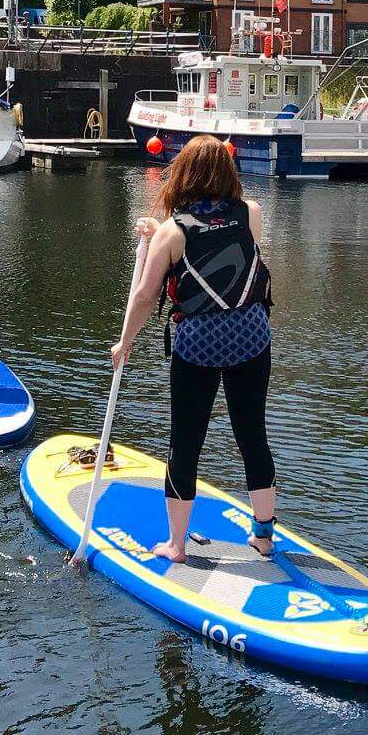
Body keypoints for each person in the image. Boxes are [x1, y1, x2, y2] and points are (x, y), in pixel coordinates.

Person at [111, 135, 275, 563]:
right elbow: (217, 233)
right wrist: (160, 229)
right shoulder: (251, 214)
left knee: (186, 440)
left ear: (183, 174)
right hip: (250, 338)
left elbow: (146, 295)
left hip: (198, 344)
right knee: (251, 433)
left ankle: (177, 545)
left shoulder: (172, 231)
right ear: (226, 173)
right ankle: (262, 537)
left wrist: (125, 341)